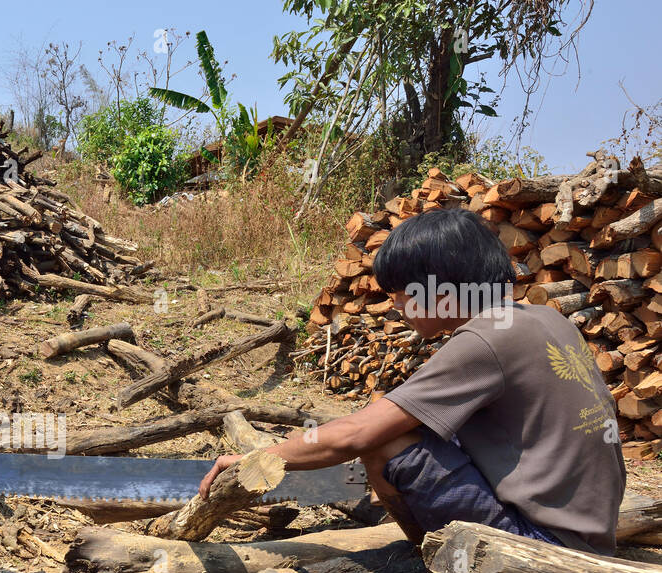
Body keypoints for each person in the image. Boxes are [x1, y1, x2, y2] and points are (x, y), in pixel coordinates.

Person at [200, 207, 626, 554]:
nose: (395, 306)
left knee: (384, 444)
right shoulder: (544, 317)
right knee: (419, 427)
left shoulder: (484, 340)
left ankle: (438, 565)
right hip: (589, 533)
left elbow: (356, 434)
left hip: (542, 547)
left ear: (438, 292)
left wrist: (256, 461)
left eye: (399, 294)